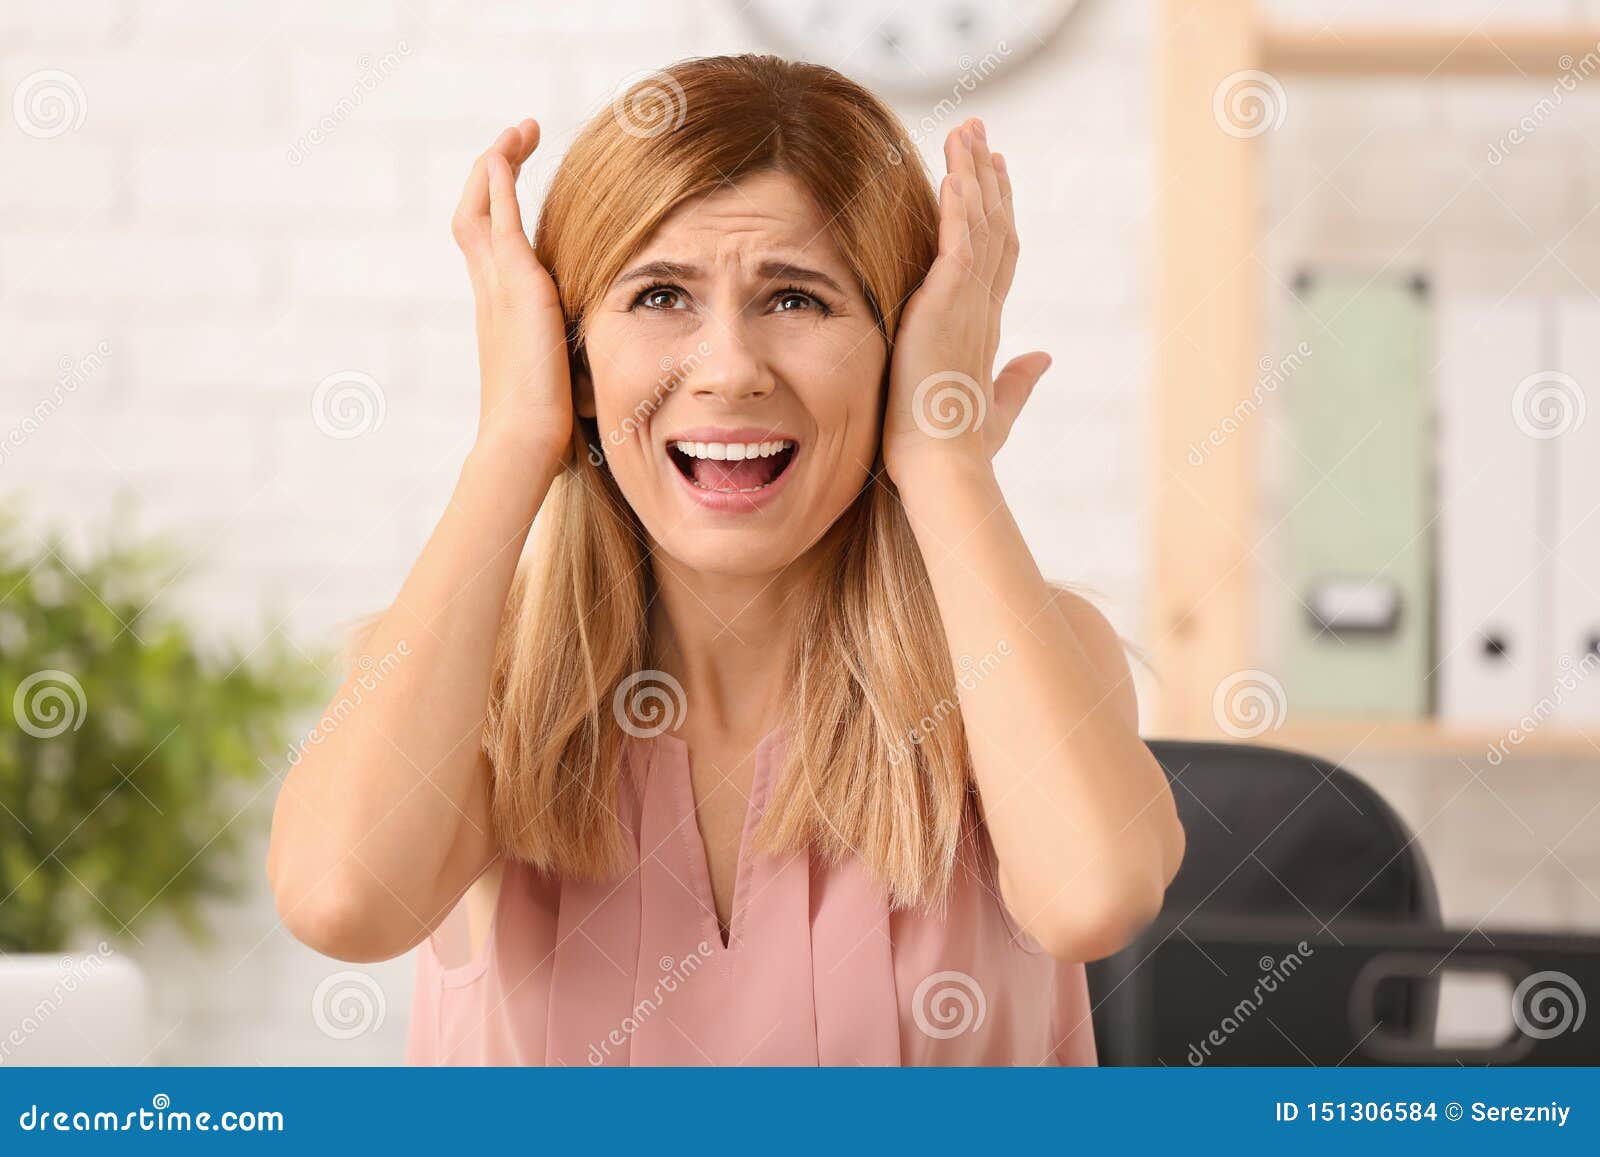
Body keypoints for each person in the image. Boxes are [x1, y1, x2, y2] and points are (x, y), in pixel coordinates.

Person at [267, 53, 1185, 1066]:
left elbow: (1092, 896)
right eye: (660, 296)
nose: (730, 369)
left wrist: (942, 453)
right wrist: (515, 439)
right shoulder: (478, 682)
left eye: (796, 299)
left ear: (899, 351)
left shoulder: (1029, 667)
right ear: (574, 354)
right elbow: (340, 899)